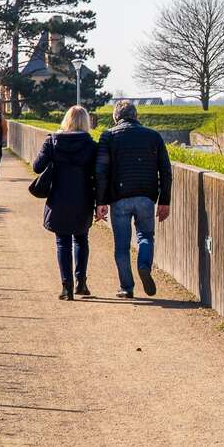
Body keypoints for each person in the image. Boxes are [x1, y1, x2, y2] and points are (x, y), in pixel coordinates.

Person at [94, 100, 172, 299]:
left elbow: (101, 171)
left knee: (121, 245)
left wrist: (100, 202)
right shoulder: (153, 136)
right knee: (145, 236)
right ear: (136, 116)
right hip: (146, 196)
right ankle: (144, 265)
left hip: (119, 198)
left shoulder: (108, 136)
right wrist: (164, 200)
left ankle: (126, 288)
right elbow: (165, 171)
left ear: (115, 117)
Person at [32, 106, 98, 300]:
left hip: (59, 198)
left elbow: (37, 167)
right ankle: (81, 282)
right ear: (85, 122)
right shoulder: (91, 146)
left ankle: (66, 287)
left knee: (62, 242)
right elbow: (98, 174)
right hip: (83, 198)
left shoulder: (52, 141)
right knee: (81, 239)